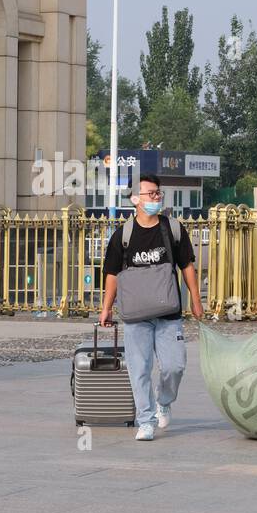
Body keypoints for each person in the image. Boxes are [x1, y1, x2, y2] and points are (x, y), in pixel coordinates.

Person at [99, 174, 204, 442]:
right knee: (139, 370)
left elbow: (187, 266)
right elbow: (112, 274)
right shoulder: (123, 235)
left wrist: (196, 299)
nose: (157, 197)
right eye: (151, 193)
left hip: (168, 314)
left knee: (174, 367)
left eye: (158, 193)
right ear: (135, 199)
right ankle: (145, 420)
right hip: (136, 316)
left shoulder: (173, 229)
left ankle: (164, 401)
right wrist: (106, 307)